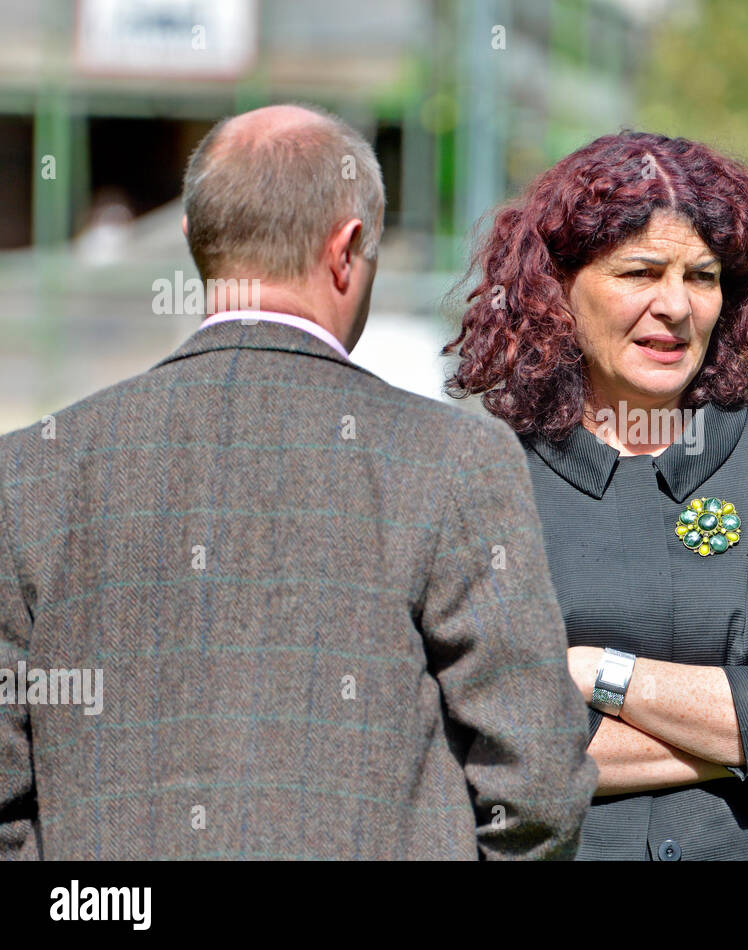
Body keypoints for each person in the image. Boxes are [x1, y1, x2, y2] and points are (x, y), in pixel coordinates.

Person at [0, 104, 595, 860]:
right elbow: (537, 782)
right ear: (346, 250)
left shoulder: (27, 471)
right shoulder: (456, 460)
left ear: (193, 243)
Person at [445, 131, 748, 860]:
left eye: (701, 277)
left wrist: (593, 676)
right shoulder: (482, 470)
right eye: (640, 272)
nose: (675, 306)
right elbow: (480, 745)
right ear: (557, 289)